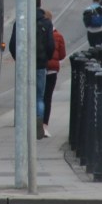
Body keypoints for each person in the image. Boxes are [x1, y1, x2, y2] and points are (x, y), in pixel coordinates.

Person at [8, 0, 55, 139]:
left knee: (24, 96)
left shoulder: (20, 22)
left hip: (24, 66)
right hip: (40, 65)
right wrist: (45, 59)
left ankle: (24, 127)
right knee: (39, 97)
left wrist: (19, 59)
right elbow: (50, 46)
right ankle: (38, 127)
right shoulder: (47, 23)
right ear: (40, 4)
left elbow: (12, 45)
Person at [42, 9, 67, 138]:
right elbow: (62, 55)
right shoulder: (58, 36)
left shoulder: (39, 33)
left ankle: (36, 122)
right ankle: (44, 125)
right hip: (52, 71)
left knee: (38, 97)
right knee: (47, 98)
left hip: (39, 69)